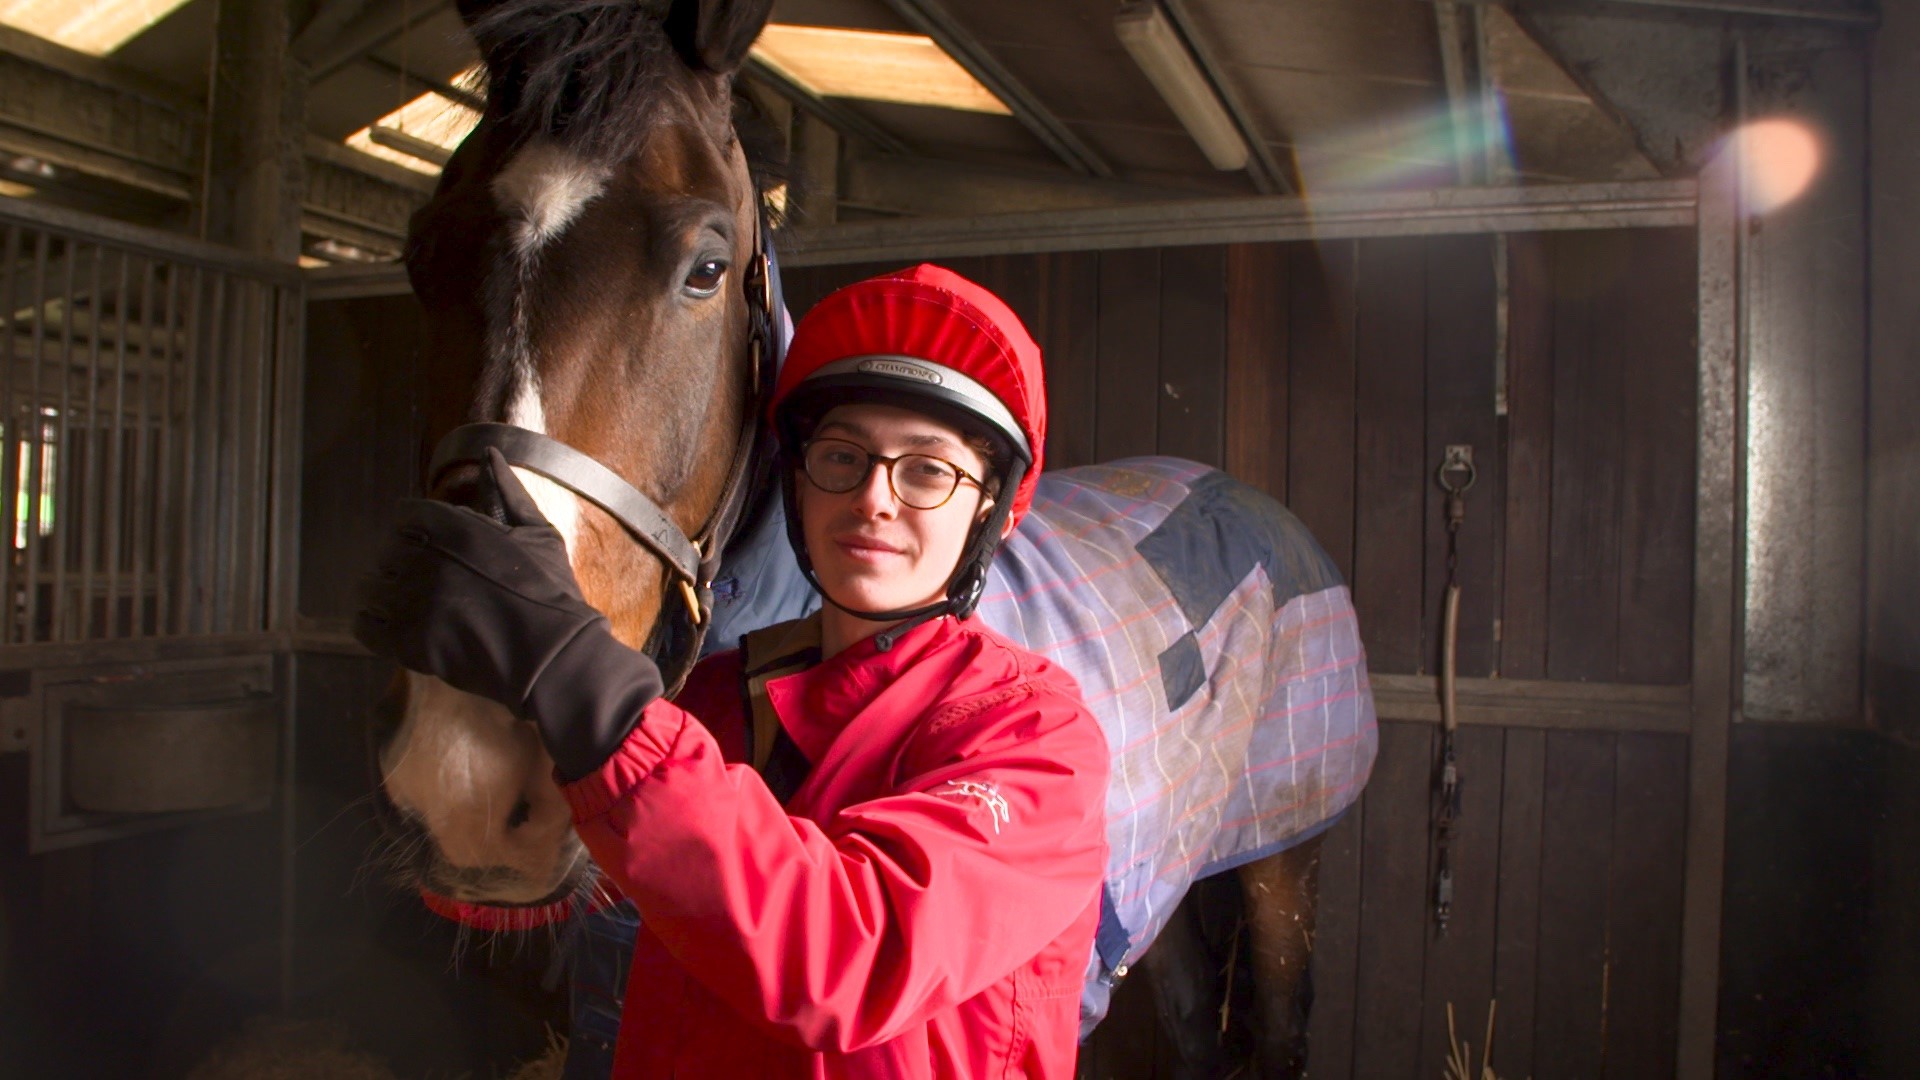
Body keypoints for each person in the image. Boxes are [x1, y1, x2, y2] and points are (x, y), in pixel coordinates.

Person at [355, 264, 1110, 1078]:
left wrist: (576, 673)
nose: (873, 500)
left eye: (928, 469)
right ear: (798, 484)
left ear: (986, 508)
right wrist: (460, 700)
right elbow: (519, 872)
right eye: (841, 457)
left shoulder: (1036, 737)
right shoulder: (714, 699)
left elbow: (844, 965)